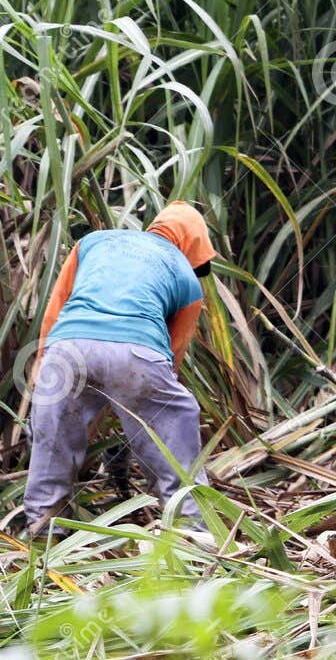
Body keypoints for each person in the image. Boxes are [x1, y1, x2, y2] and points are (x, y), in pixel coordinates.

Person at [21, 201, 219, 539]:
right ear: (191, 244)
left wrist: (43, 359)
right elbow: (172, 356)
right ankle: (192, 533)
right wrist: (139, 405)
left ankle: (43, 528)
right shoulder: (187, 278)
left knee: (54, 436)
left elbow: (58, 302)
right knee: (175, 426)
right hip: (137, 352)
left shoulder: (94, 242)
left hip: (67, 346)